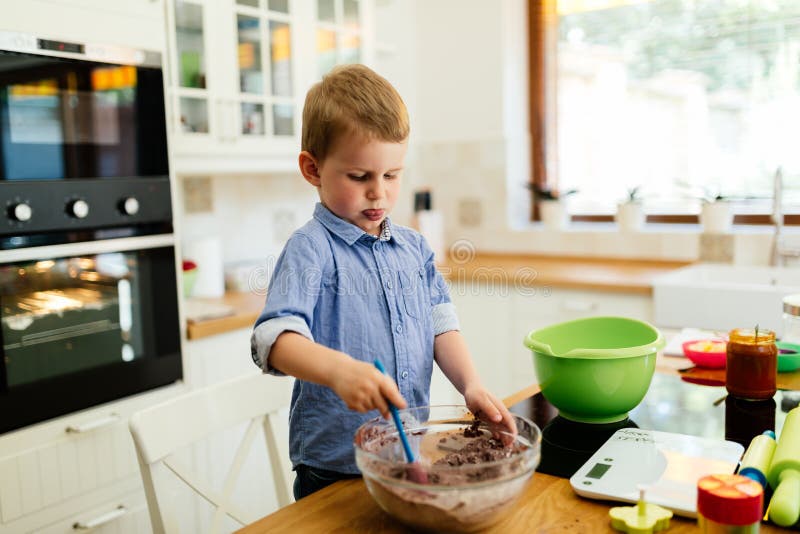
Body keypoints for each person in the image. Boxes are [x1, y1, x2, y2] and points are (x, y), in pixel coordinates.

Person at [250, 64, 516, 500]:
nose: (379, 193)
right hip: (334, 469)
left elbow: (440, 322)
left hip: (406, 455)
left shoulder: (414, 248)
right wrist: (338, 371)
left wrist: (470, 385)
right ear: (312, 169)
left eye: (392, 175)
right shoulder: (310, 249)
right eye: (360, 177)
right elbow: (272, 340)